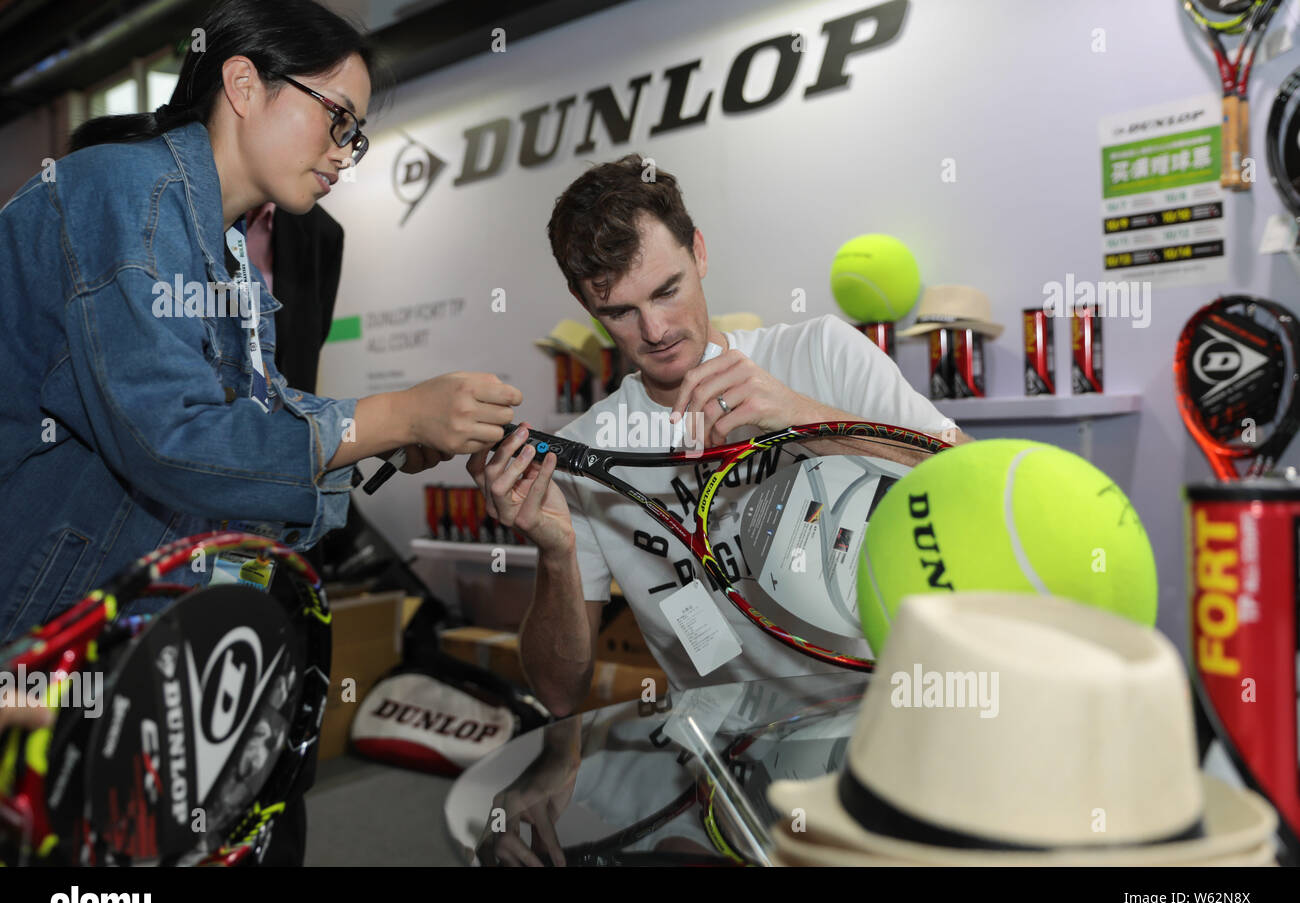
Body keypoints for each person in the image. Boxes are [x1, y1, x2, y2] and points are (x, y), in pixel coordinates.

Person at [0, 0, 520, 646]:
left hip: (106, 640)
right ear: (244, 86)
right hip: (31, 630)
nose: (343, 154)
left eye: (352, 134)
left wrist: (376, 442)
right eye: (336, 118)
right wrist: (395, 415)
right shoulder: (127, 194)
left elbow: (252, 420)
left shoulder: (231, 251)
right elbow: (170, 439)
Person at [470, 154, 969, 714]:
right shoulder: (587, 453)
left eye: (666, 290)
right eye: (620, 312)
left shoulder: (819, 353)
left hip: (885, 719)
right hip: (728, 765)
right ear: (585, 304)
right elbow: (559, 695)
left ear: (699, 252)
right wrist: (556, 555)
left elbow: (969, 480)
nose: (655, 331)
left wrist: (801, 417)